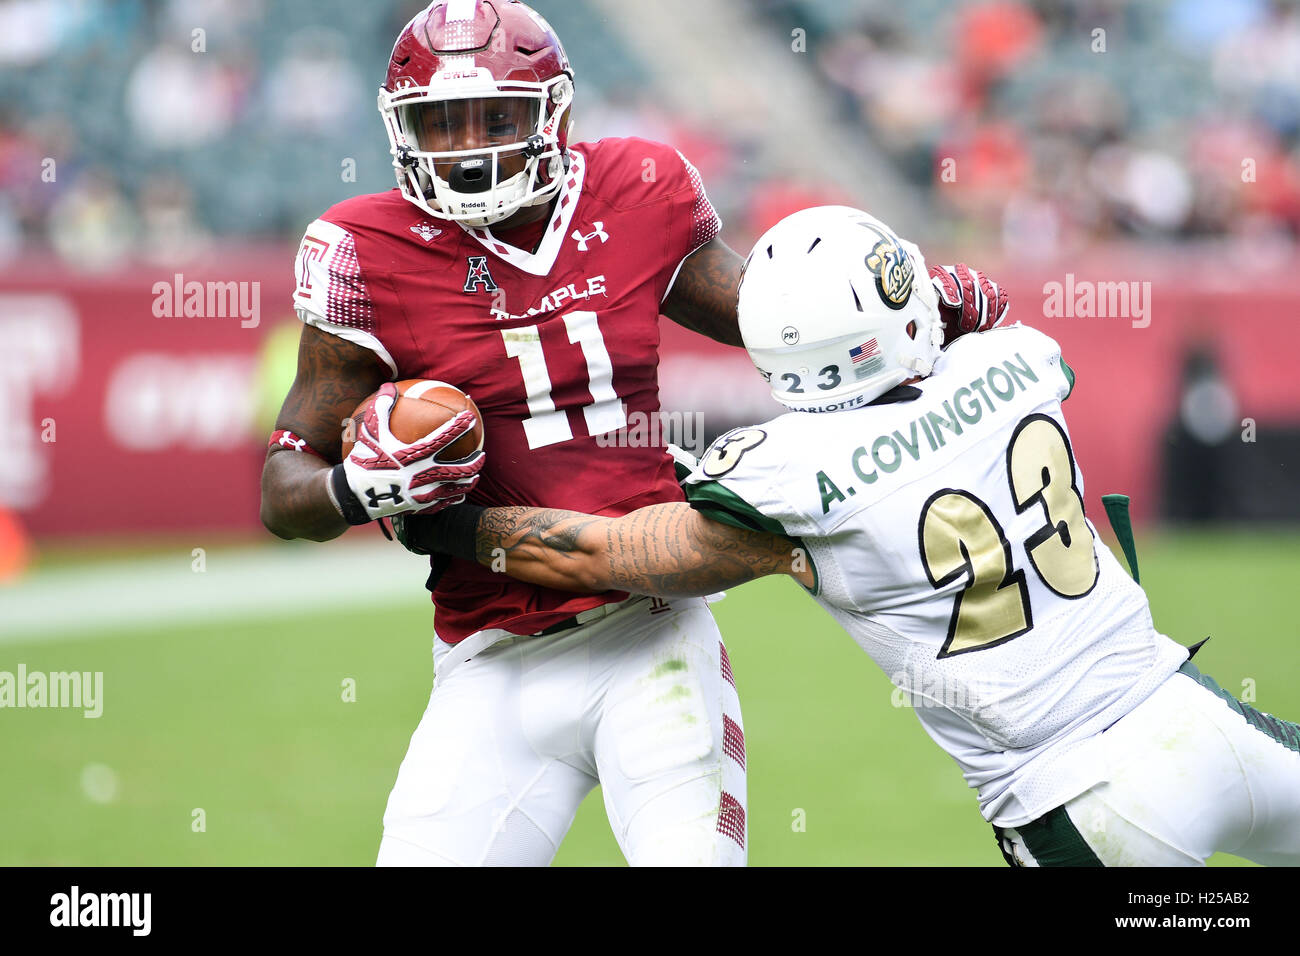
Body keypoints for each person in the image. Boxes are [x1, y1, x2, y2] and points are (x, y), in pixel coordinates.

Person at [260, 1, 1007, 867]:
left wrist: (907, 306)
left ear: (555, 111)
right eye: (440, 123)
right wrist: (354, 491)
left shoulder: (637, 184)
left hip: (650, 632)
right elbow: (285, 487)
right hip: (487, 654)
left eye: (494, 116)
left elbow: (775, 319)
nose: (466, 150)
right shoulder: (362, 247)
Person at [404, 205, 1300, 867]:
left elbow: (599, 553)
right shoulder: (1013, 358)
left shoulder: (793, 477)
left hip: (1080, 804)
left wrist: (441, 519)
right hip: (1196, 717)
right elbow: (970, 327)